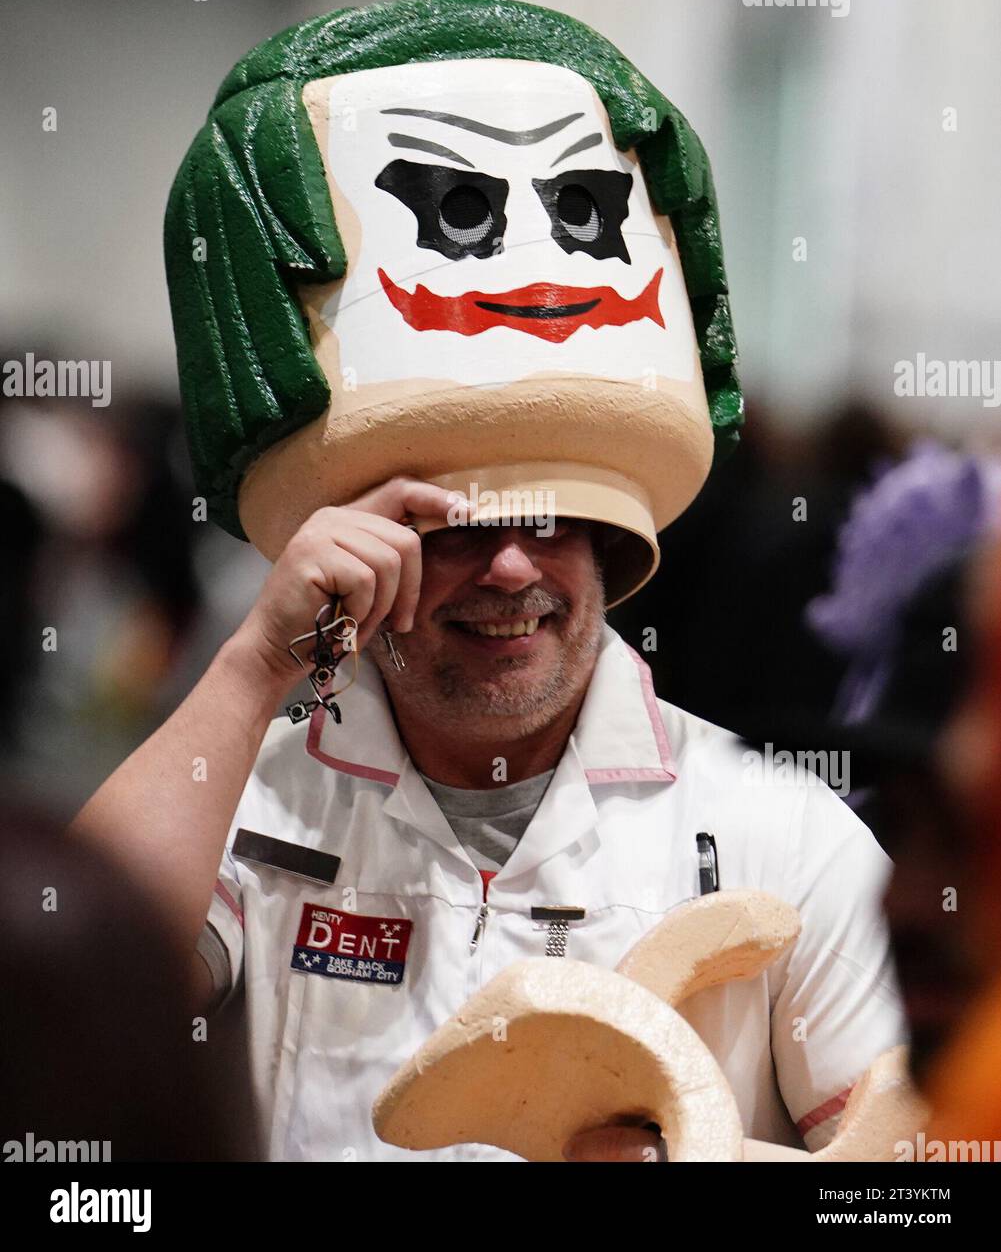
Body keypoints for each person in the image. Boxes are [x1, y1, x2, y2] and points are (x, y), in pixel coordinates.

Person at [71, 473, 902, 1162]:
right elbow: (64, 1016)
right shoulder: (253, 794)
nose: (509, 568)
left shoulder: (783, 825)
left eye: (550, 524)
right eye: (452, 528)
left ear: (605, 552)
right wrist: (258, 663)